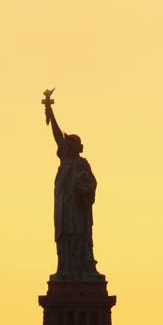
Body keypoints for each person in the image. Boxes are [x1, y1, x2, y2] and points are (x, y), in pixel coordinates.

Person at [43, 93, 100, 279]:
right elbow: (57, 135)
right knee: (64, 236)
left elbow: (92, 184)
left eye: (70, 144)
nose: (66, 145)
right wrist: (50, 112)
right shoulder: (66, 160)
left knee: (79, 235)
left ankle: (83, 266)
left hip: (78, 211)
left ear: (77, 147)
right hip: (64, 208)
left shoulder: (82, 164)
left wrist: (83, 189)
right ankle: (65, 268)